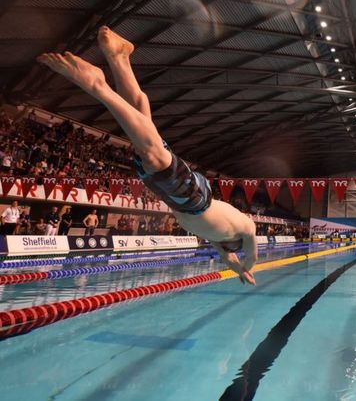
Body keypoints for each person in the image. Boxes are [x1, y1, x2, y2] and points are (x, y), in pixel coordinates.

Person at [38, 27, 258, 285]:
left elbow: (229, 258)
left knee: (142, 118)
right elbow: (251, 257)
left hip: (178, 199)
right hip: (196, 200)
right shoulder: (247, 227)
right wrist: (247, 268)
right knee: (152, 156)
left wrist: (238, 270)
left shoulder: (220, 240)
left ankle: (120, 58)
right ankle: (98, 86)